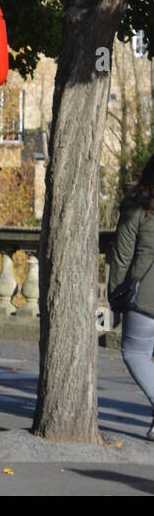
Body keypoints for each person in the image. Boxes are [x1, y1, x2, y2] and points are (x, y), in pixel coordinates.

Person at [108, 156, 154, 438]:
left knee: (135, 353)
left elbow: (121, 258)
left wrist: (114, 299)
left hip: (145, 298)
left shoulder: (137, 207)